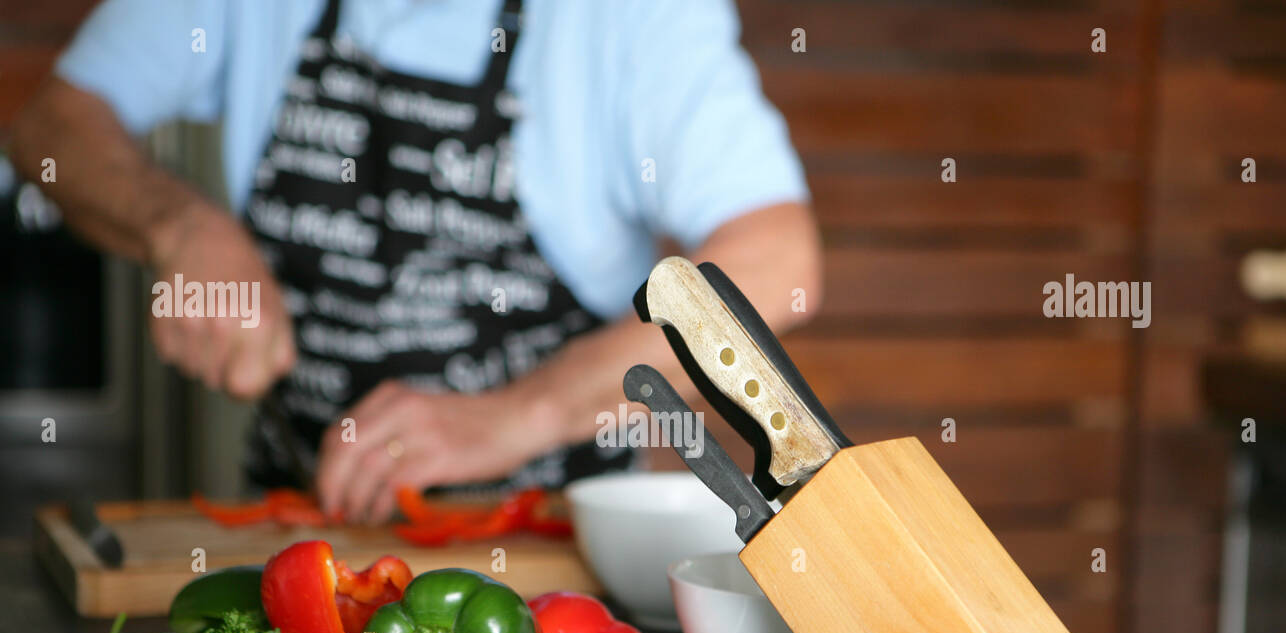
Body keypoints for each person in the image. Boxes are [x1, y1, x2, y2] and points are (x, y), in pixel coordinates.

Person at [9, 0, 821, 523]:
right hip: (298, 535)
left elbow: (778, 260)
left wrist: (516, 413)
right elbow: (53, 127)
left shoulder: (630, 19)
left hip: (557, 559)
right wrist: (179, 226)